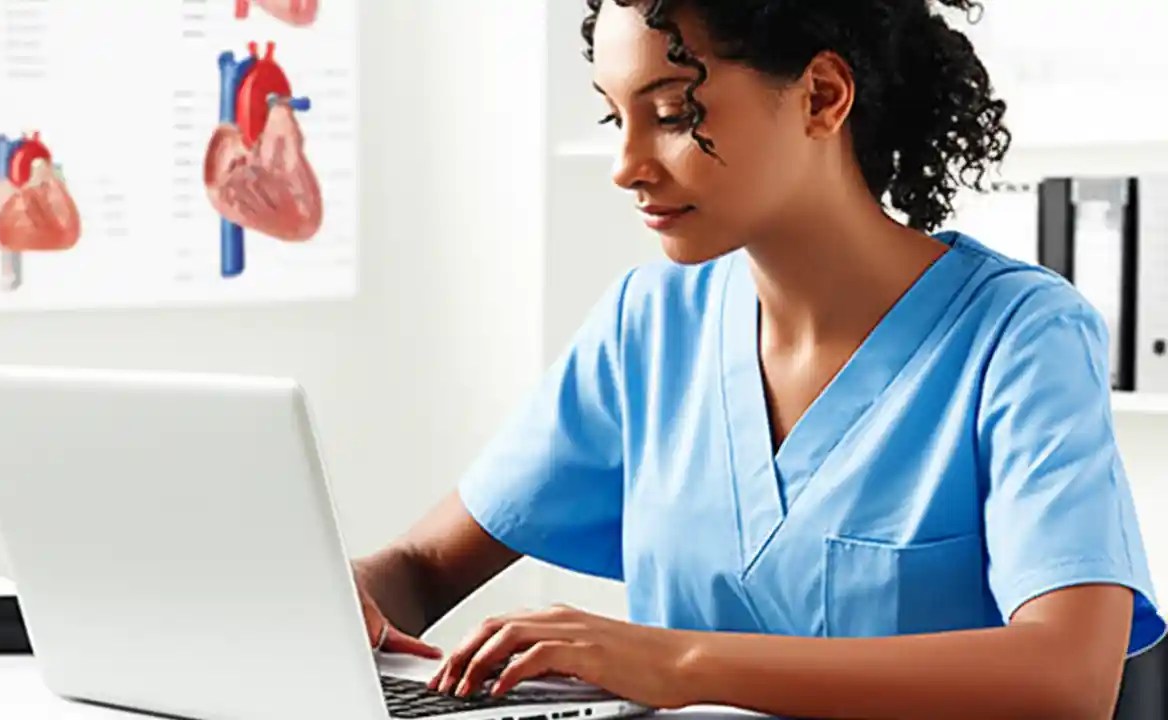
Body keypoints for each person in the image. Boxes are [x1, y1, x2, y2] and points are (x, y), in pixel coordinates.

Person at [352, 0, 1166, 717]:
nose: (626, 166)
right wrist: (334, 596)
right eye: (614, 119)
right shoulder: (650, 322)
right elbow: (424, 569)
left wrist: (679, 664)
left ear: (821, 97)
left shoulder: (1020, 336)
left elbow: (1066, 679)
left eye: (672, 113)